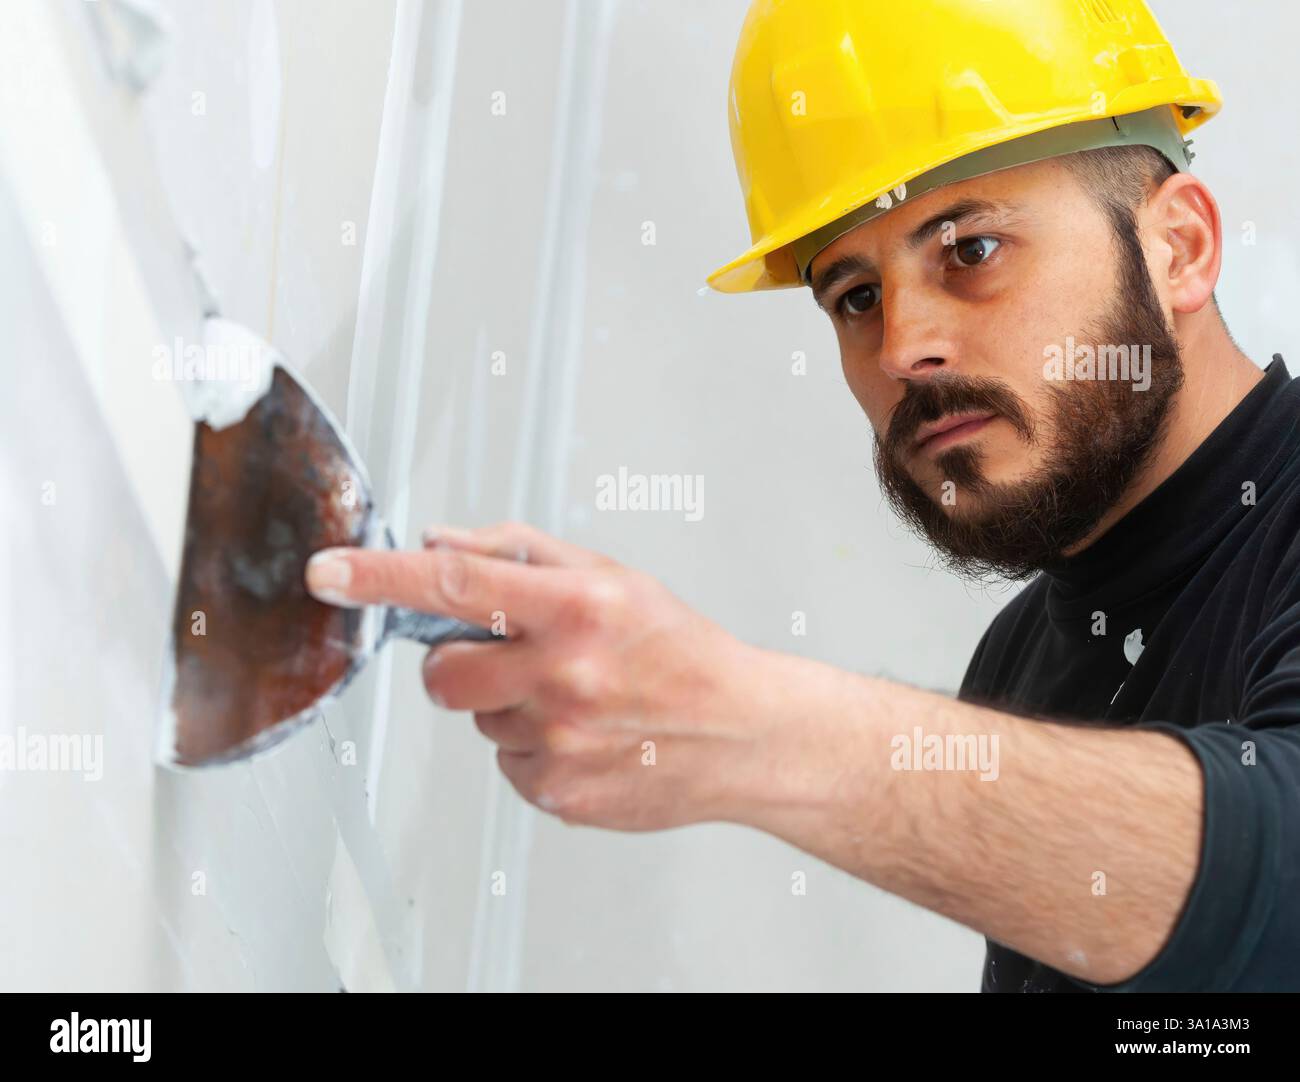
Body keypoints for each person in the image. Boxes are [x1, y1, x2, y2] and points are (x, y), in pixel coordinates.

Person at [305, 0, 1300, 991]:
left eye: (971, 251)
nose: (903, 347)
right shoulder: (1023, 657)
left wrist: (739, 720)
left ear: (1178, 248)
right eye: (856, 297)